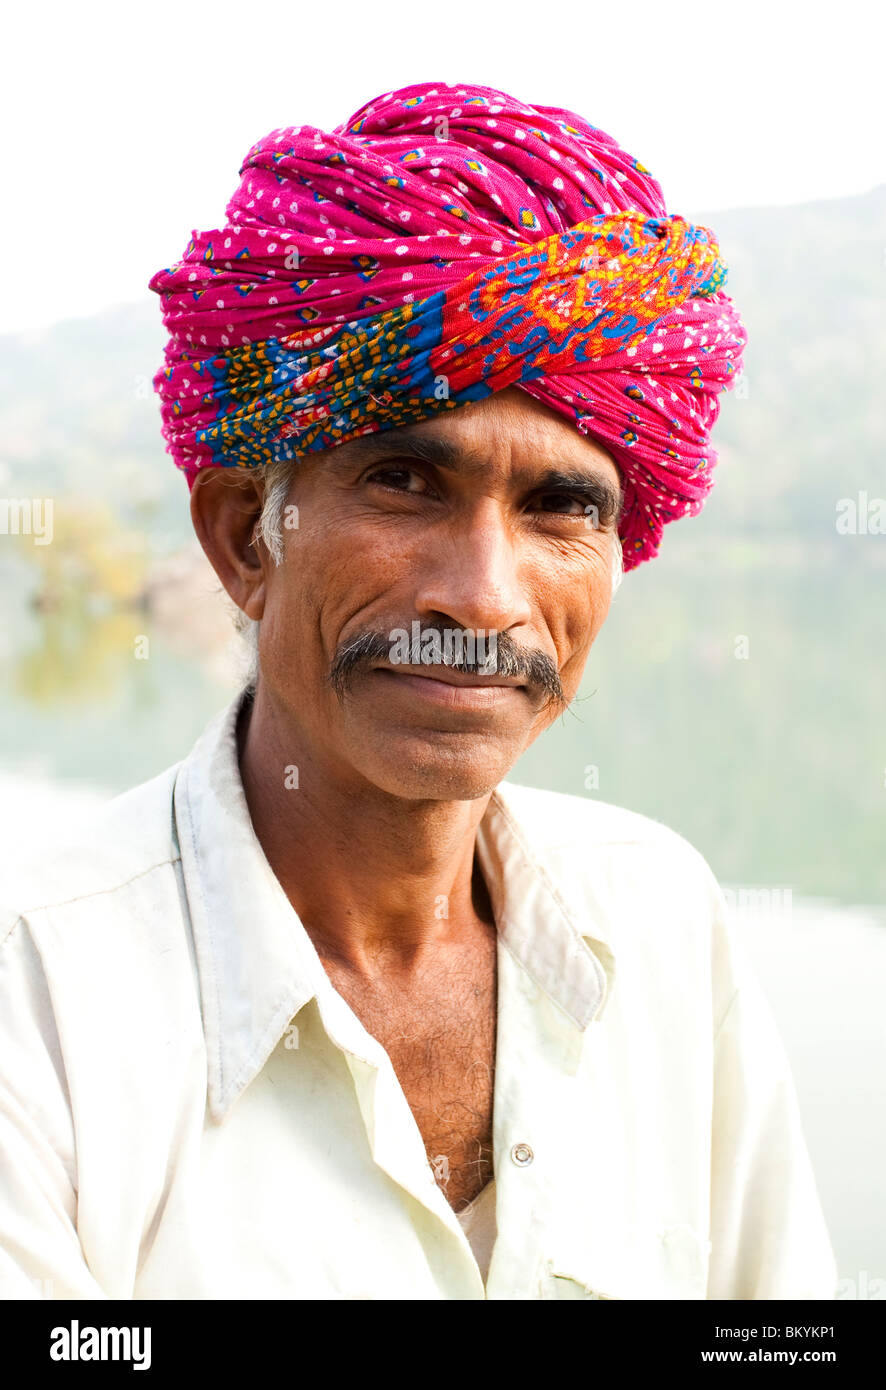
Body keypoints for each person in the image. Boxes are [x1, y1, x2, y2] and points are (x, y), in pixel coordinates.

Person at [0, 81, 836, 1300]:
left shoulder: (657, 918)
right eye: (403, 482)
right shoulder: (43, 998)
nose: (484, 597)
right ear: (246, 538)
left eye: (564, 506)